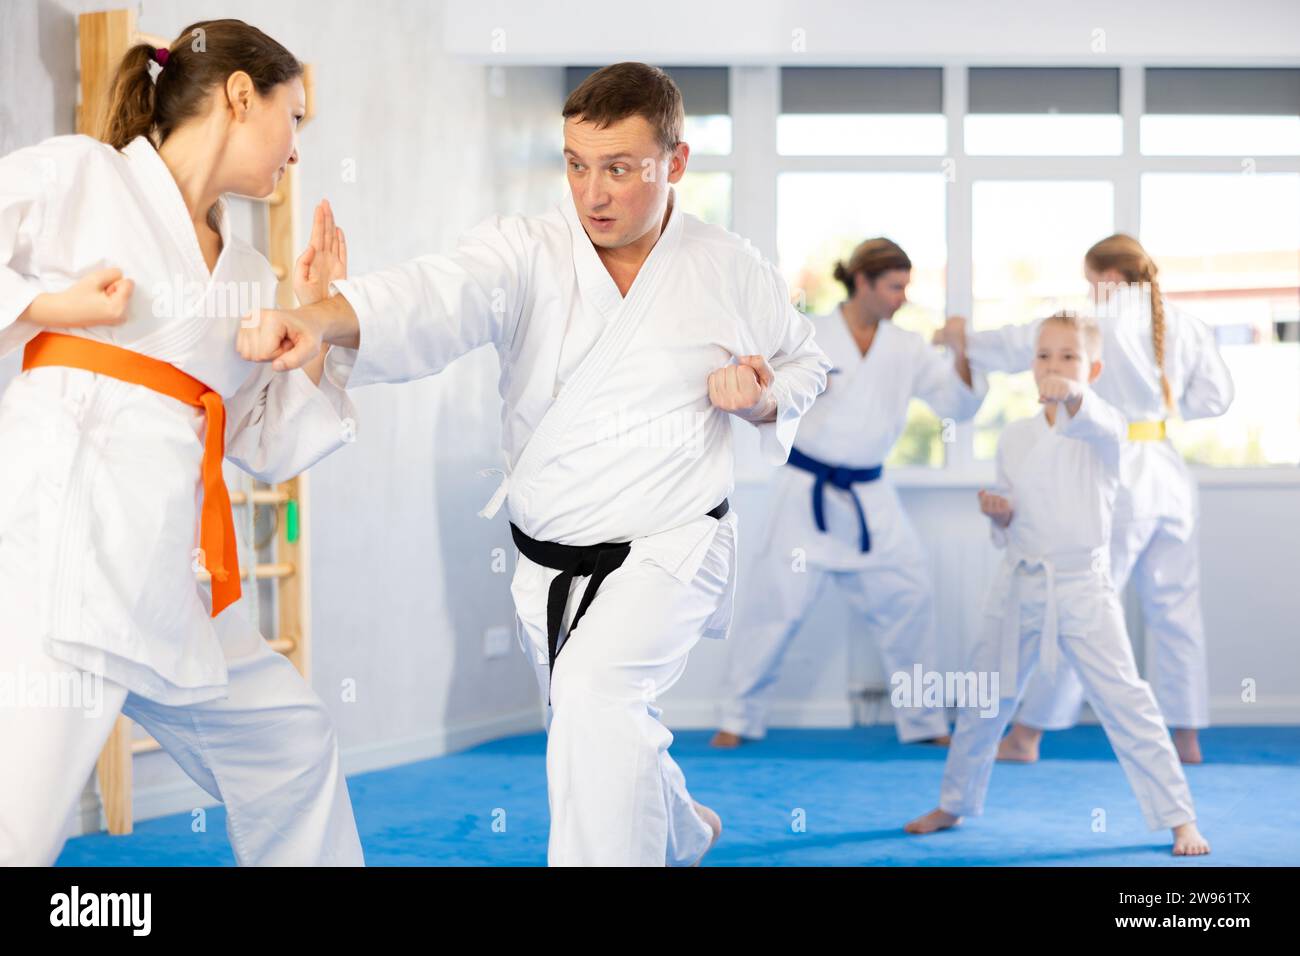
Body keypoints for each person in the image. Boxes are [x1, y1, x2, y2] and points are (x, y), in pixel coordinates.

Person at [235, 62, 832, 866]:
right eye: (577, 165)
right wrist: (321, 319)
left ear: (676, 164)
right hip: (545, 556)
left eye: (620, 168)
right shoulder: (527, 250)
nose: (594, 193)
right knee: (595, 724)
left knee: (595, 698)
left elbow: (807, 364)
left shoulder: (729, 266)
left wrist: (760, 398)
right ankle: (682, 827)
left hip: (675, 542)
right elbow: (437, 294)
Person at [0, 20, 364, 866]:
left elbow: (264, 443)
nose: (297, 151)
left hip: (174, 571)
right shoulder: (82, 175)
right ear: (241, 96)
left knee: (293, 745)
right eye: (295, 118)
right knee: (19, 822)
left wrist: (311, 325)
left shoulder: (245, 272)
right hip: (66, 557)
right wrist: (54, 309)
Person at [905, 313, 1210, 856]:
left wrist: (1072, 395)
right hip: (1019, 581)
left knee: (1127, 701)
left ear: (1092, 368)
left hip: (1083, 587)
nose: (1053, 366)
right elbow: (1009, 519)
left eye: (1068, 357)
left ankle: (1179, 818)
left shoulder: (1108, 427)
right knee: (983, 701)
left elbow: (1086, 413)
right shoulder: (1017, 437)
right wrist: (999, 515)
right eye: (1044, 355)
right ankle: (953, 802)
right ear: (1030, 365)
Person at [935, 234, 1233, 764]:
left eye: (1091, 283)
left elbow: (1016, 346)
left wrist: (962, 337)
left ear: (1109, 280)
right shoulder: (1184, 324)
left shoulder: (1100, 327)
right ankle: (1186, 736)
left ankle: (1027, 735)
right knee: (1176, 609)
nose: (1090, 294)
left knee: (1082, 606)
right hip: (1167, 469)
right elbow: (1214, 399)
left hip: (1117, 472)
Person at [712, 239, 984, 748]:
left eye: (906, 287)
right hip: (804, 489)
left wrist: (964, 350)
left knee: (909, 598)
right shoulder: (807, 333)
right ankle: (737, 718)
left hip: (869, 492)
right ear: (863, 282)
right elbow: (764, 392)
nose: (903, 298)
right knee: (775, 606)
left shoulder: (905, 348)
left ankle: (923, 721)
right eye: (895, 286)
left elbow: (957, 405)